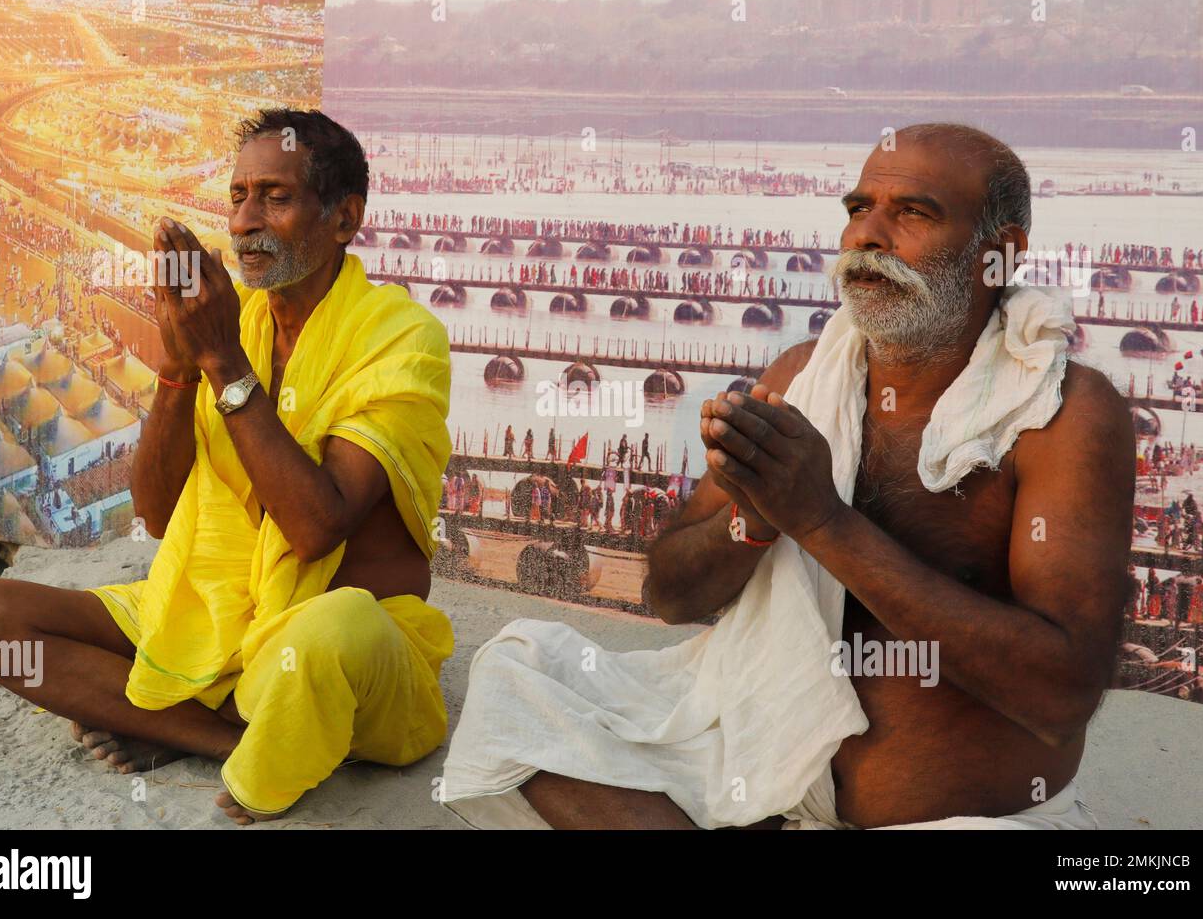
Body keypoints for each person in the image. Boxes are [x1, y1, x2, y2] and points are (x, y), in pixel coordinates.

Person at [441, 123, 1133, 829]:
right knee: (517, 678)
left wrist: (821, 522)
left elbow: (1061, 694)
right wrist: (754, 519)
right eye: (859, 209)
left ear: (1001, 254)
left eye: (913, 212)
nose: (869, 235)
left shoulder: (1063, 415)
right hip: (753, 771)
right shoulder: (802, 378)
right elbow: (673, 595)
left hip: (959, 821)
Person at [0, 108, 455, 826]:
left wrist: (222, 361)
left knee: (335, 626)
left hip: (325, 646)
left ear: (344, 218)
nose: (245, 221)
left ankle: (182, 716)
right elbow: (156, 513)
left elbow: (316, 530)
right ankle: (218, 735)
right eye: (239, 196)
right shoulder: (237, 319)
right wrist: (181, 369)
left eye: (275, 198)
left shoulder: (402, 340)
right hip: (209, 616)